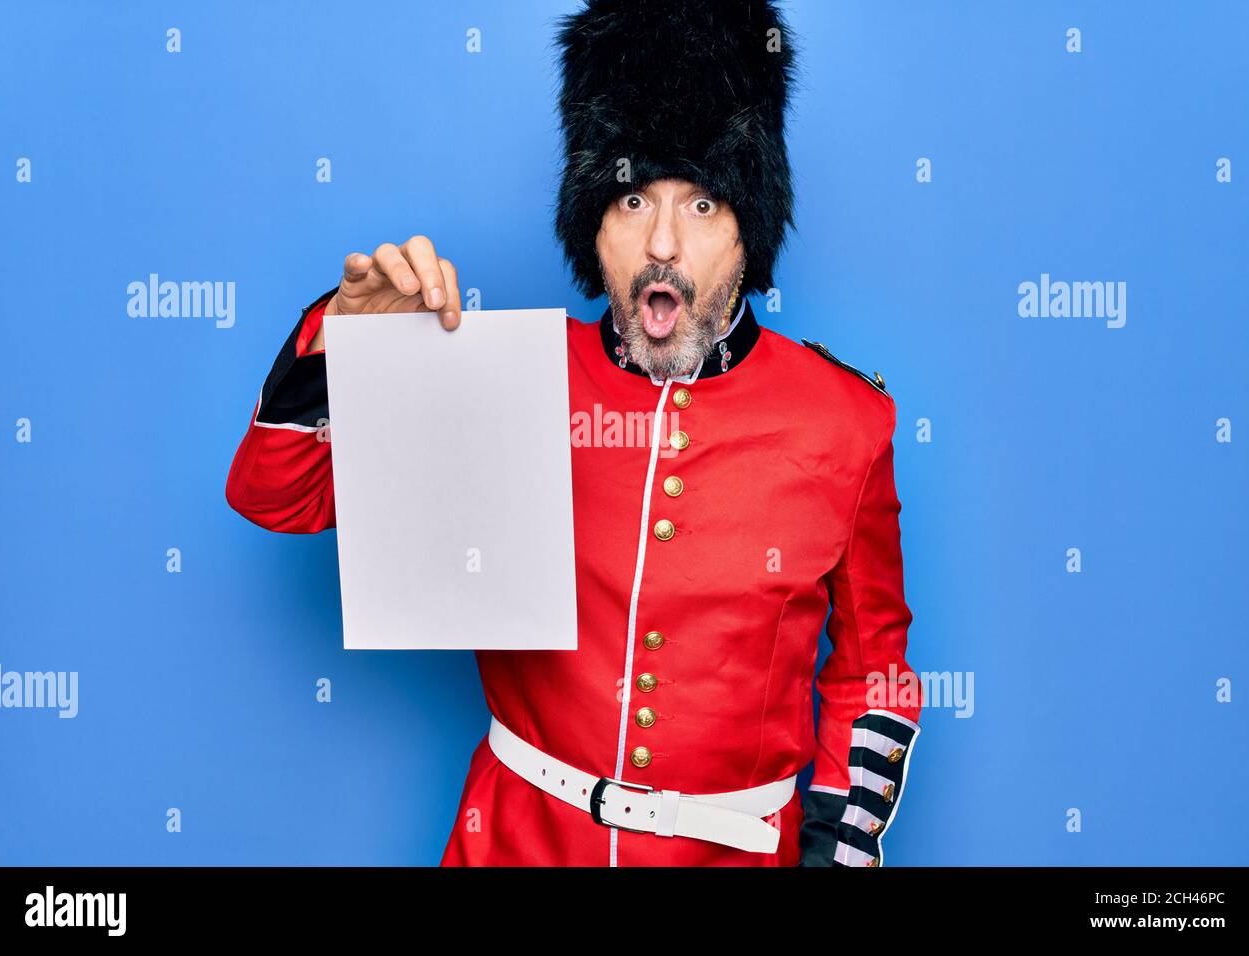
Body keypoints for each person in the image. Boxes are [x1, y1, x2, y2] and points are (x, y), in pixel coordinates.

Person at [226, 0, 923, 867]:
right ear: (593, 225)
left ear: (749, 226)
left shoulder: (844, 419)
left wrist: (835, 847)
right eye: (632, 200)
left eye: (702, 204)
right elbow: (274, 495)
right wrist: (344, 339)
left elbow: (870, 673)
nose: (663, 242)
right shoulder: (495, 375)